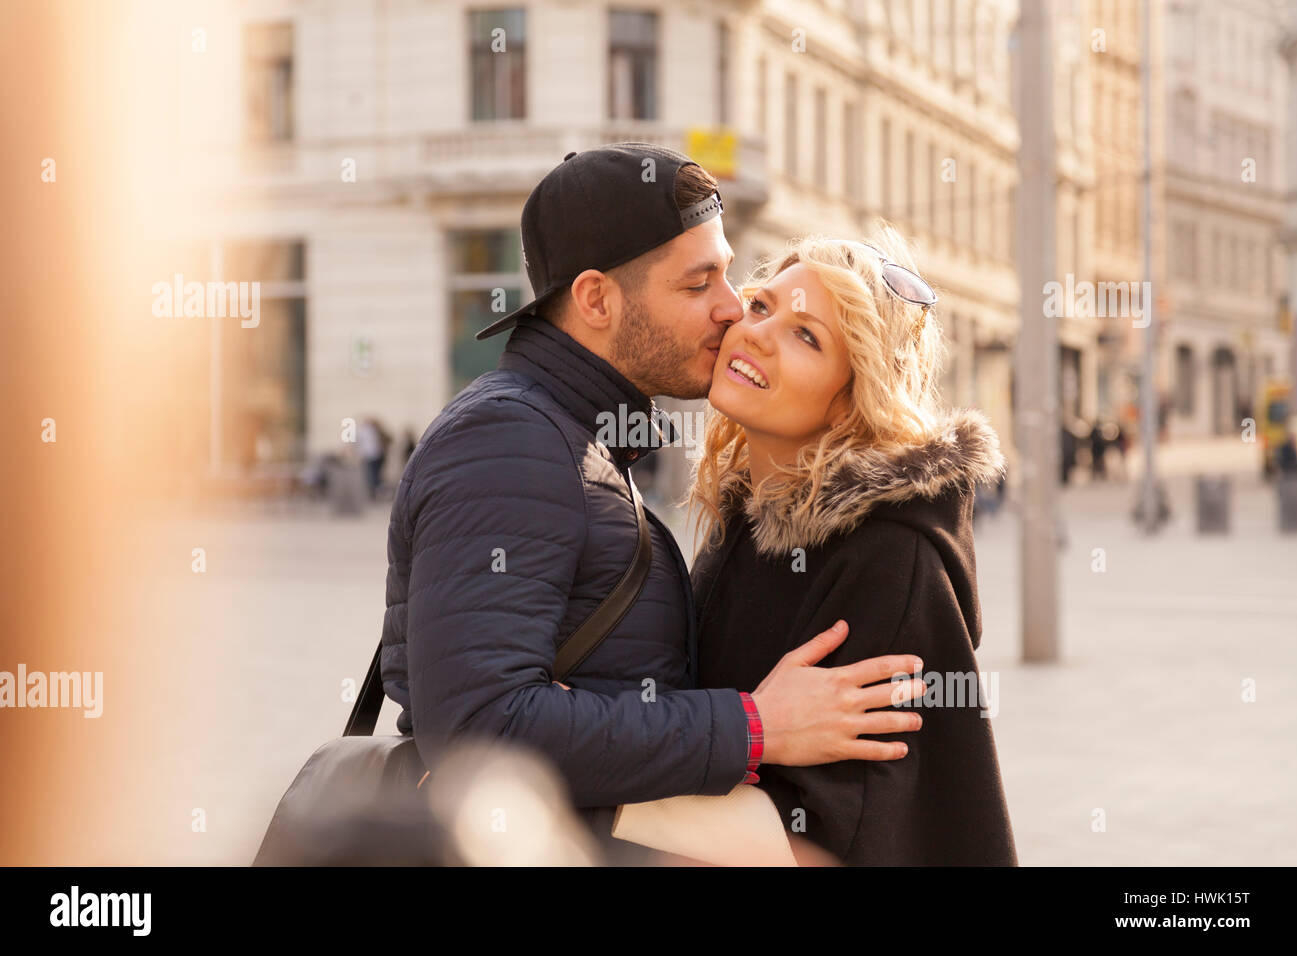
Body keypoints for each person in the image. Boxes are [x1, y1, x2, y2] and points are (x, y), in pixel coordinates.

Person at [379, 145, 925, 848]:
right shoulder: (511, 440)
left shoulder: (578, 435)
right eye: (699, 285)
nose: (731, 310)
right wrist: (756, 727)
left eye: (728, 275)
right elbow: (483, 731)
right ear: (597, 300)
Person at [688, 229, 1018, 865]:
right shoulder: (747, 518)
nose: (757, 331)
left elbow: (826, 842)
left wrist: (594, 799)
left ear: (851, 401)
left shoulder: (889, 558)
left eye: (806, 335)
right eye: (763, 306)